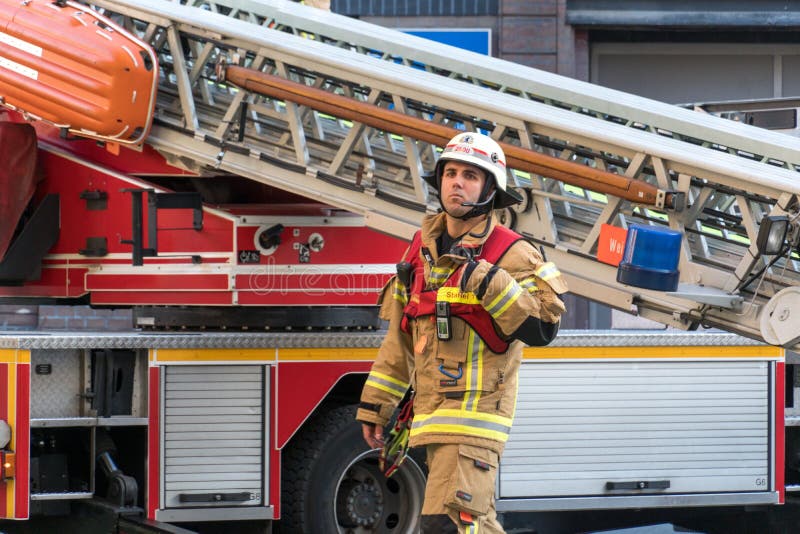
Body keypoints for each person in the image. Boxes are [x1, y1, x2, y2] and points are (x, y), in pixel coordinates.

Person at [356, 131, 568, 533]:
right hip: (432, 418)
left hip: (476, 421)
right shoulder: (421, 249)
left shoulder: (513, 252)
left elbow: (544, 327)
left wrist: (488, 281)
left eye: (471, 175)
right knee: (468, 526)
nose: (457, 182)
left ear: (491, 188)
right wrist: (377, 405)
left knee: (447, 525)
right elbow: (401, 337)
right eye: (450, 172)